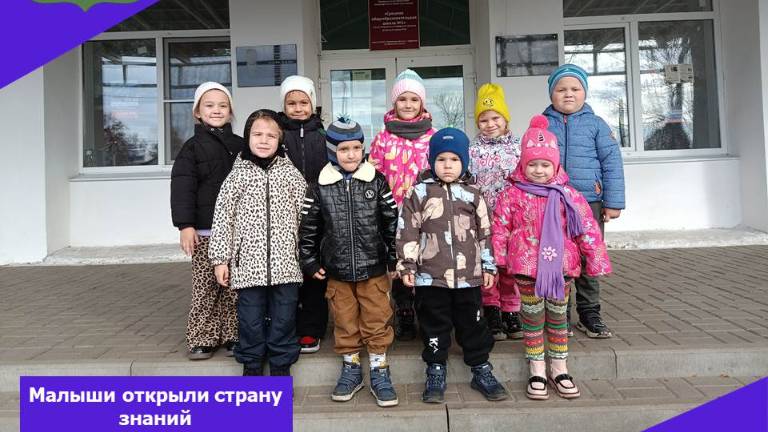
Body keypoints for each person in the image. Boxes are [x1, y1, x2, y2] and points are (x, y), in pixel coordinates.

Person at [492, 115, 612, 400]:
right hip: (526, 268)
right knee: (532, 319)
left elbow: (587, 229)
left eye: (545, 165)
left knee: (558, 318)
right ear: (522, 164)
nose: (539, 170)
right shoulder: (511, 195)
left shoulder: (569, 195)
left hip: (561, 268)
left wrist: (596, 259)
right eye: (532, 164)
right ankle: (536, 368)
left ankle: (559, 367)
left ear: (556, 165)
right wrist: (498, 259)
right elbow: (499, 227)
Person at [397, 127, 509, 404]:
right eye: (441, 159)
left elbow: (485, 232)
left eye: (455, 159)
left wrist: (488, 265)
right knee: (434, 323)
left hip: (468, 276)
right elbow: (408, 230)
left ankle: (480, 367)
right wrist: (407, 265)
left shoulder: (473, 194)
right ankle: (436, 367)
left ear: (465, 162)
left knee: (473, 322)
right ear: (431, 160)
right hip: (430, 277)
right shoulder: (419, 193)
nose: (448, 165)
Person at [299, 118, 400, 407]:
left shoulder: (376, 180)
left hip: (373, 267)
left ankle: (379, 368)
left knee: (377, 317)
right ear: (332, 151)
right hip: (337, 270)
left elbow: (391, 222)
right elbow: (309, 227)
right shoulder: (319, 185)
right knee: (344, 320)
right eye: (344, 149)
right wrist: (309, 260)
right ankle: (352, 368)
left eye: (356, 148)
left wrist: (394, 257)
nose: (351, 154)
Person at [208, 109, 307, 376]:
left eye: (271, 136)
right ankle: (252, 369)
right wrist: (220, 260)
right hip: (248, 266)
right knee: (250, 321)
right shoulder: (236, 176)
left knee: (284, 319)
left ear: (280, 140)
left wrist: (306, 256)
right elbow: (223, 219)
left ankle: (280, 369)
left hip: (286, 265)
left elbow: (306, 219)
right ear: (247, 137)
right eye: (257, 134)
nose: (264, 140)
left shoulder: (291, 175)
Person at [543, 63, 625, 338]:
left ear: (585, 93)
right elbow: (531, 162)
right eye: (561, 89)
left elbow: (612, 163)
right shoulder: (543, 125)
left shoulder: (596, 125)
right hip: (553, 203)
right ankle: (560, 314)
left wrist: (613, 202)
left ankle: (590, 313)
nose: (568, 94)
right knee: (558, 259)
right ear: (551, 94)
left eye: (575, 89)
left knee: (589, 258)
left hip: (589, 203)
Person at [170, 82, 243, 360]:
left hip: (236, 231)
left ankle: (235, 335)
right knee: (206, 286)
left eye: (223, 106)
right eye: (209, 105)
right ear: (197, 112)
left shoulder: (240, 146)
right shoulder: (191, 148)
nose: (216, 110)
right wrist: (185, 225)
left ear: (230, 111)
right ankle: (203, 337)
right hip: (205, 231)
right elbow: (182, 188)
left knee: (236, 287)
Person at [369, 69, 437, 341]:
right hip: (394, 214)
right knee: (401, 264)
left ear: (422, 103)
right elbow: (374, 177)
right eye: (402, 99)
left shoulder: (433, 137)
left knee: (428, 261)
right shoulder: (382, 139)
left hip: (428, 214)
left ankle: (427, 312)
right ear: (394, 102)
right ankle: (404, 310)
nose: (408, 104)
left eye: (414, 99)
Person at [277, 75, 329, 353]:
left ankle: (311, 329)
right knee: (287, 272)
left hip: (317, 215)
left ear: (313, 104)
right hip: (284, 215)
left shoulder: (323, 136)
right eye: (291, 103)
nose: (298, 108)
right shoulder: (277, 136)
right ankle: (285, 326)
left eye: (303, 102)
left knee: (314, 272)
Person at [469, 83, 523, 341]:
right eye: (483, 120)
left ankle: (511, 310)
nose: (490, 124)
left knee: (509, 267)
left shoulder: (518, 149)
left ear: (505, 119)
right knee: (487, 265)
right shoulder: (472, 150)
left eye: (495, 118)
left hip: (512, 221)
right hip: (483, 221)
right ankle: (491, 309)